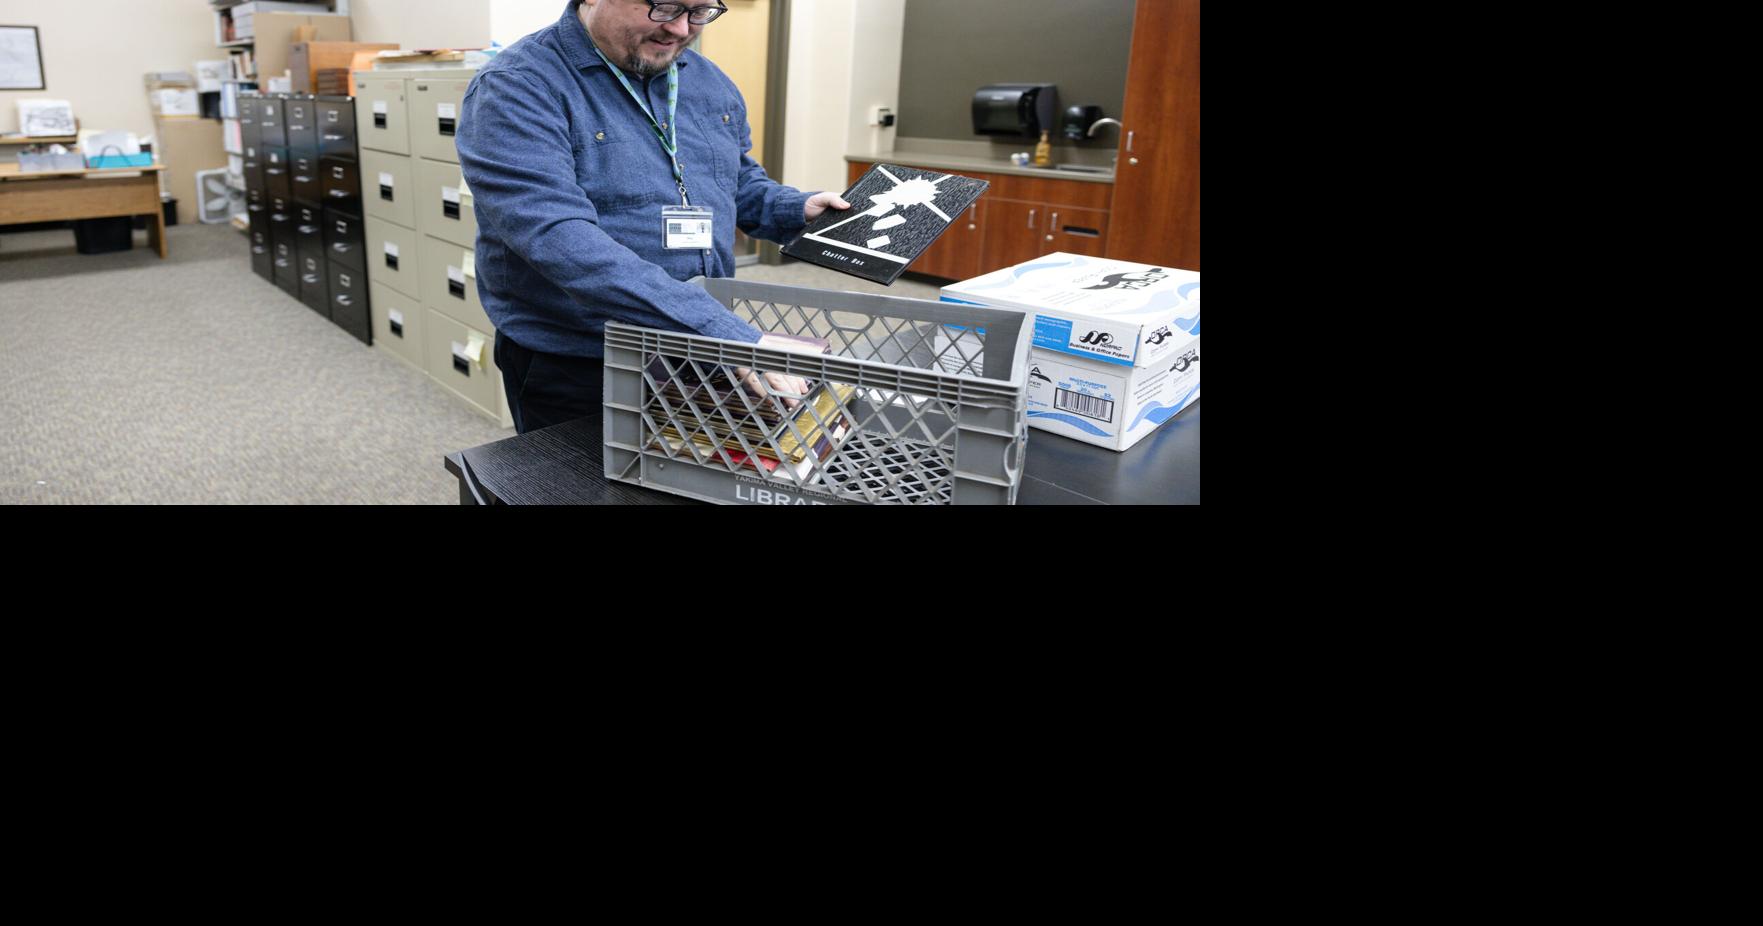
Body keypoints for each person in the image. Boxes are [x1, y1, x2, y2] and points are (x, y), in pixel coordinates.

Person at [456, 0, 851, 433]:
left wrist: (794, 208)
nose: (681, 29)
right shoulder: (517, 86)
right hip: (584, 359)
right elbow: (556, 237)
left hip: (699, 345)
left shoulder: (708, 82)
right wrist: (721, 331)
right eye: (665, 7)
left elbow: (736, 183)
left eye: (700, 11)